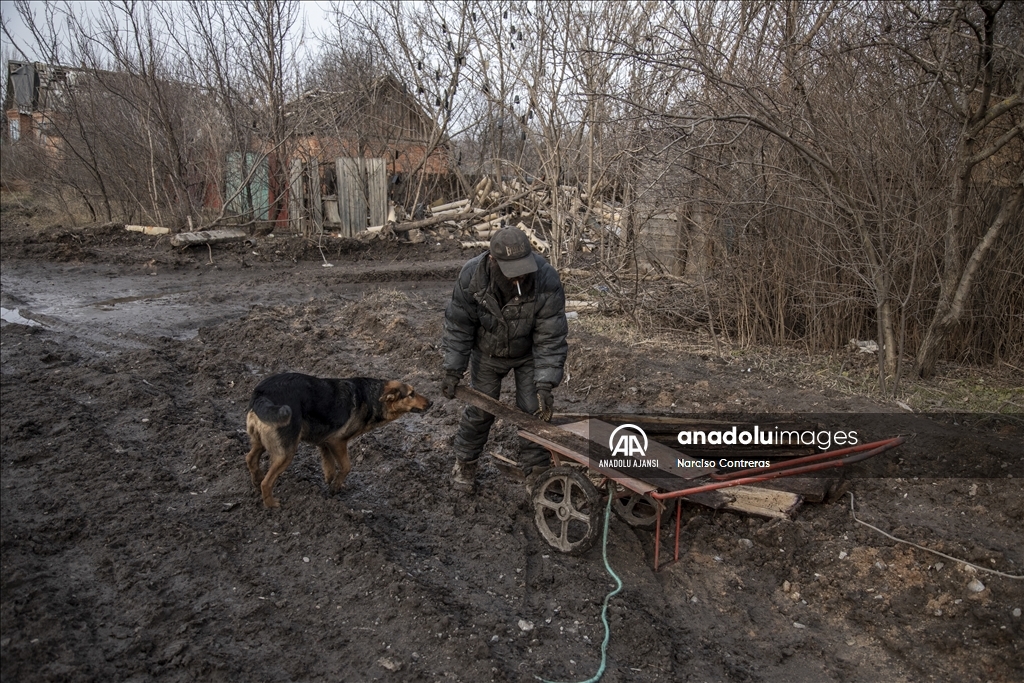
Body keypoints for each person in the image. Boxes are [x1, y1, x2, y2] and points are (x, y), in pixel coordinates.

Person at [440, 226, 568, 493]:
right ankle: (465, 463)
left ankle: (538, 473)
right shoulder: (472, 277)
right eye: (512, 271)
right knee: (480, 410)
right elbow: (459, 326)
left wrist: (545, 383)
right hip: (486, 354)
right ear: (493, 261)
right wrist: (453, 370)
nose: (520, 276)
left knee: (534, 412)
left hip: (527, 355)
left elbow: (550, 335)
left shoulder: (545, 279)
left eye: (524, 268)